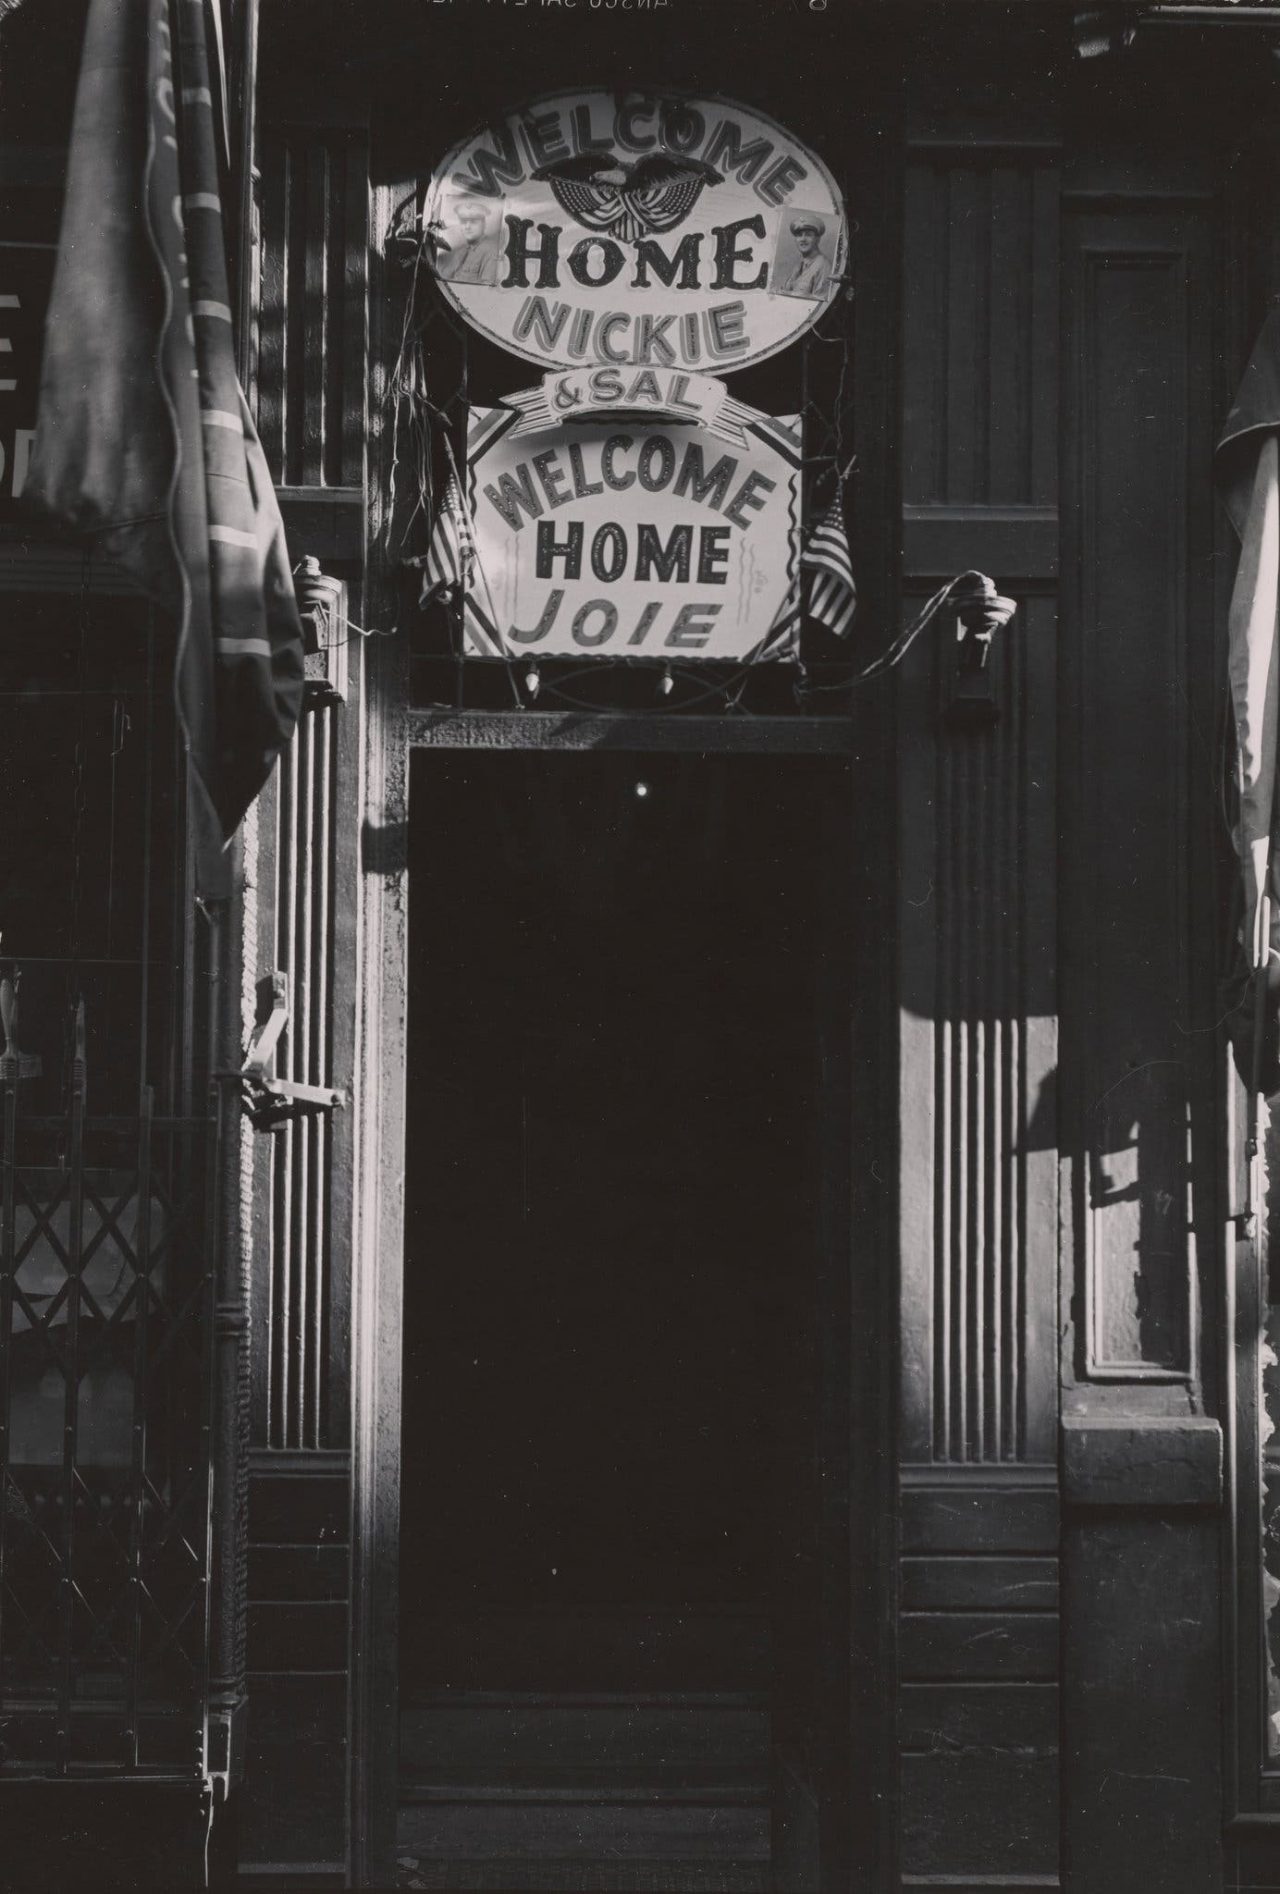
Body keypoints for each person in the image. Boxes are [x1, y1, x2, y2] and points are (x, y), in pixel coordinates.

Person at [439, 201, 500, 286]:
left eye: (473, 222)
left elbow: (485, 289)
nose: (467, 227)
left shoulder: (491, 250)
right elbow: (443, 277)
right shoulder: (462, 250)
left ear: (484, 224)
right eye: (464, 222)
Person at [778, 215, 830, 299]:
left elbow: (819, 302)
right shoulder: (799, 265)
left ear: (817, 239)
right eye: (799, 235)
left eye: (808, 235)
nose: (803, 239)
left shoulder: (823, 266)